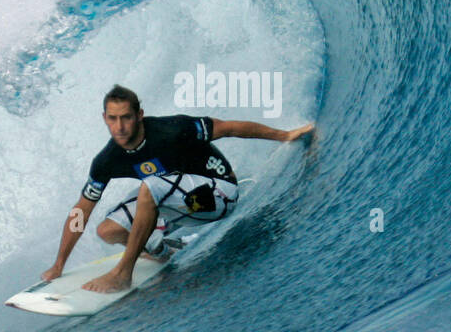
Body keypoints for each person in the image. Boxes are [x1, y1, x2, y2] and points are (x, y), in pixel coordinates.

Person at [41, 84, 315, 293]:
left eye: (126, 117)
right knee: (108, 230)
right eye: (112, 119)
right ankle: (160, 252)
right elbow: (81, 212)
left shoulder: (171, 129)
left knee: (150, 187)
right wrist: (59, 264)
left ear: (139, 115)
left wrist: (285, 135)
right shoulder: (107, 160)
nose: (120, 127)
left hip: (218, 194)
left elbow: (230, 128)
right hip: (178, 201)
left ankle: (123, 273)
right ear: (104, 118)